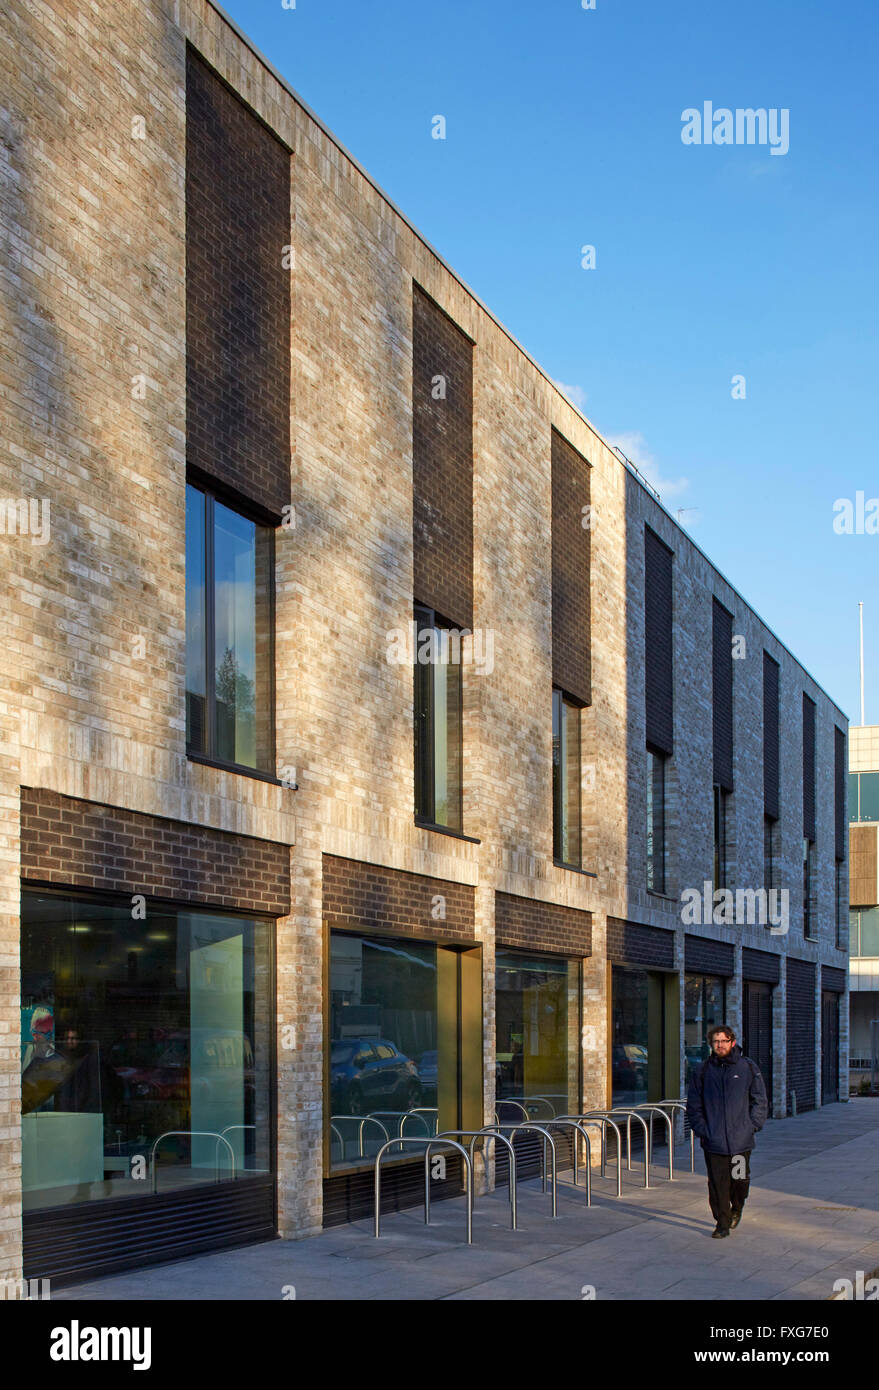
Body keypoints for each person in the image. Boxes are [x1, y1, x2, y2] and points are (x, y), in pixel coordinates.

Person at [686, 1023, 768, 1238]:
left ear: (732, 1042)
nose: (720, 1045)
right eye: (716, 1041)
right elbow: (694, 1104)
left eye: (724, 1041)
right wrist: (703, 1129)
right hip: (714, 1142)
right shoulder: (703, 1071)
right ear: (711, 1044)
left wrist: (753, 1125)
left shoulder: (747, 1068)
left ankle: (737, 1208)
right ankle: (721, 1223)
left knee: (739, 1180)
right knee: (717, 1184)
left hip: (741, 1141)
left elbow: (759, 1099)